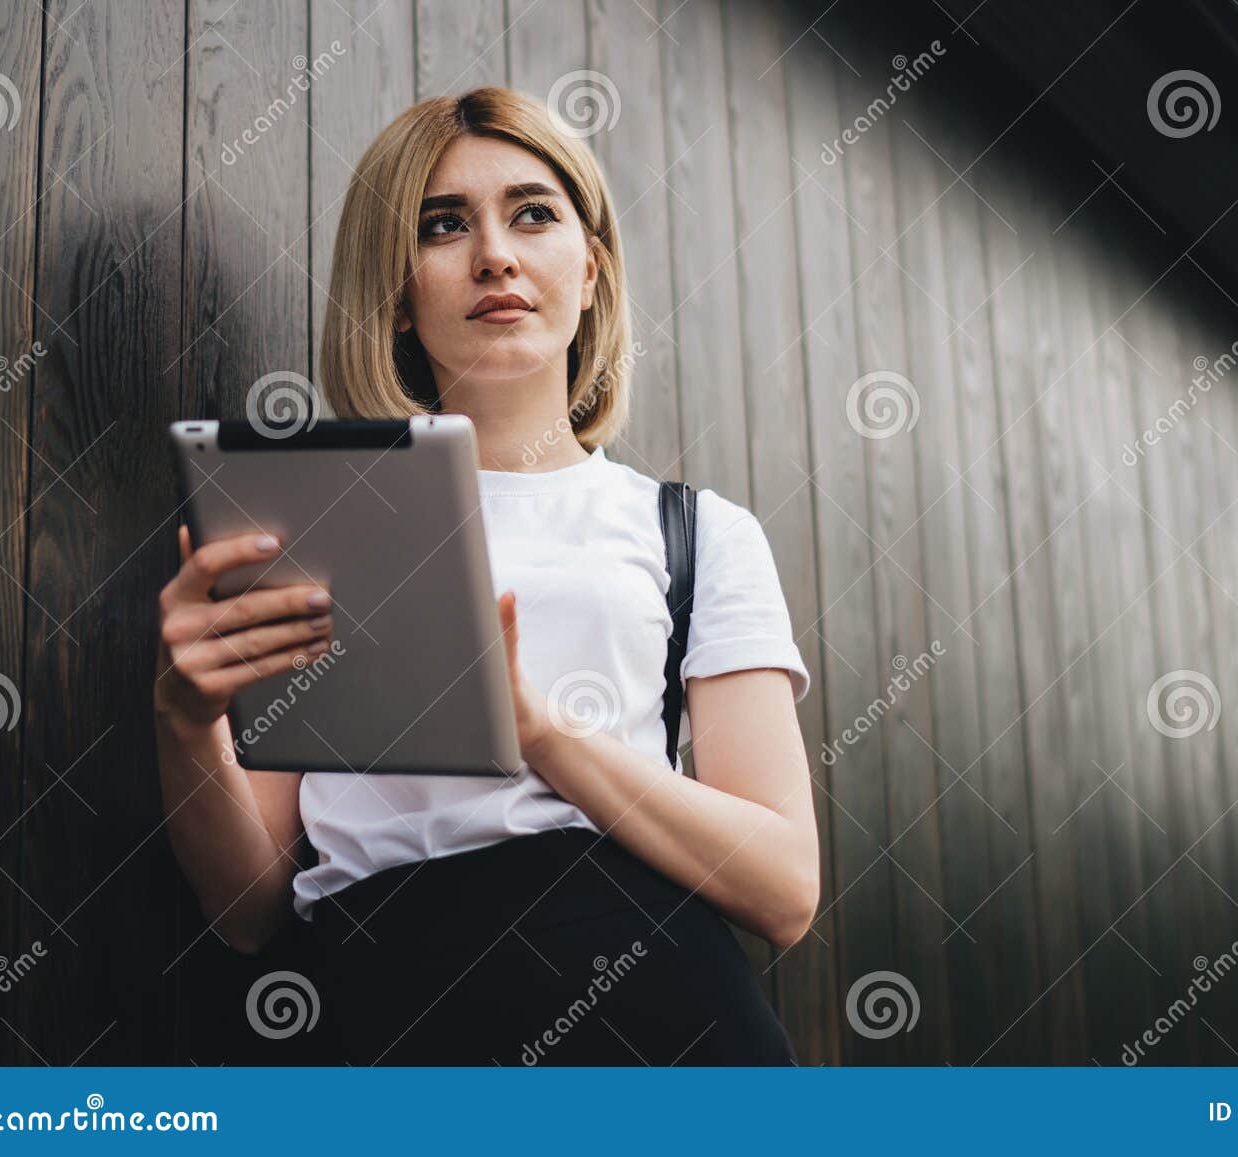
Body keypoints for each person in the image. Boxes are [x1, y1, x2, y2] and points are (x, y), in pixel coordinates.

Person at [152, 86, 819, 1065]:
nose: (495, 255)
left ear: (588, 270)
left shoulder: (696, 531)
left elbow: (784, 886)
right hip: (386, 1008)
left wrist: (538, 729)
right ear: (396, 288)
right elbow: (249, 909)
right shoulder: (308, 521)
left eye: (533, 213)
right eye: (442, 224)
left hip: (663, 1011)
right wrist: (183, 719)